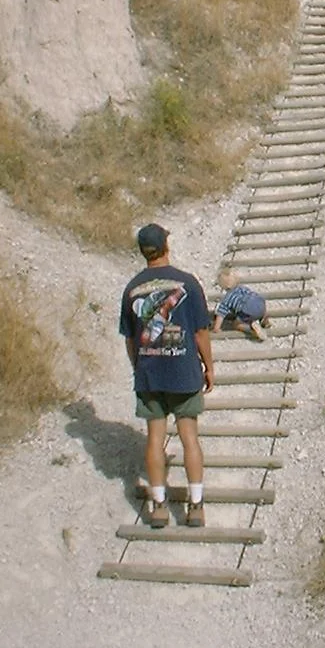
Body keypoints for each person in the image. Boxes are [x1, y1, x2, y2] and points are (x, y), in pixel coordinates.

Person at [119, 223, 214, 529]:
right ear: (166, 246)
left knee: (154, 438)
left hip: (150, 373)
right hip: (183, 370)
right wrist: (209, 366)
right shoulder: (188, 283)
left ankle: (158, 505)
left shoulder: (132, 288)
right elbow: (200, 332)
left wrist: (138, 366)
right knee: (189, 438)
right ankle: (195, 505)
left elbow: (130, 338)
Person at [213, 268, 269, 341]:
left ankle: (251, 328)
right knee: (256, 304)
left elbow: (220, 315)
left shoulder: (226, 299)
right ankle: (264, 320)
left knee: (236, 324)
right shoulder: (242, 288)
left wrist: (216, 328)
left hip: (247, 310)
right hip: (260, 304)